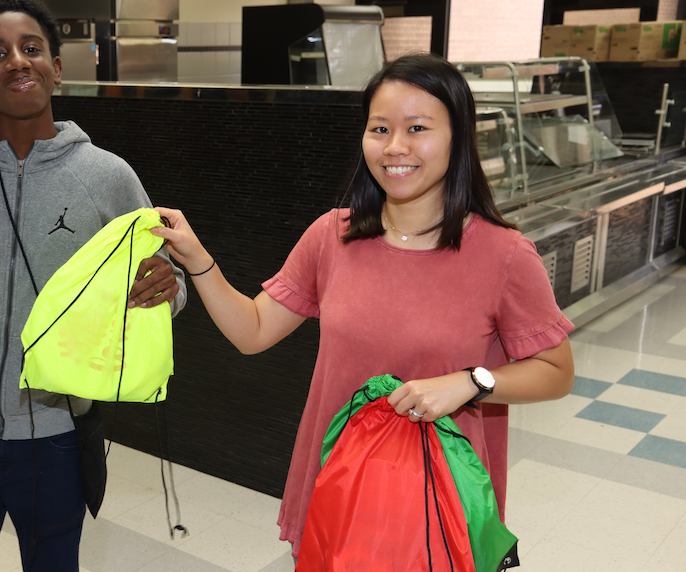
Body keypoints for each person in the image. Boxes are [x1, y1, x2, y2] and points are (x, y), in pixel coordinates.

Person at [152, 52, 575, 559]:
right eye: (380, 129)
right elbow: (254, 330)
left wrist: (471, 382)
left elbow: (556, 371)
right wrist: (199, 260)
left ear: (459, 137)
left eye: (417, 128)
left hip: (436, 507)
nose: (395, 147)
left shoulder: (504, 255)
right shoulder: (333, 236)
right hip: (338, 488)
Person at [0, 0, 186, 572]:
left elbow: (164, 280)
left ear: (56, 69)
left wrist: (171, 285)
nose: (16, 60)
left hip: (56, 430)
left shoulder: (107, 176)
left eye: (30, 48)